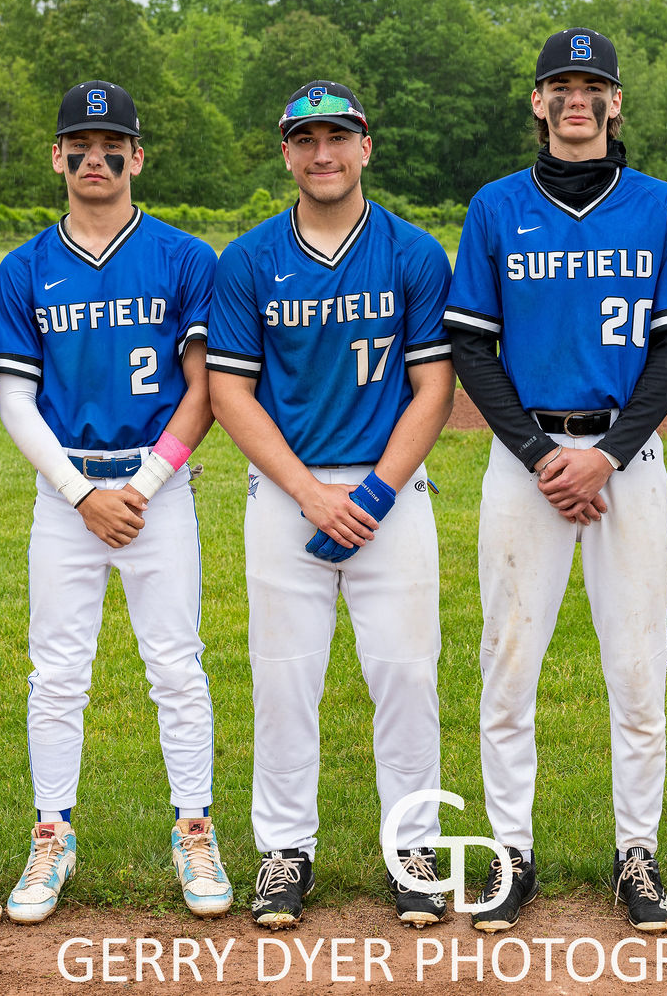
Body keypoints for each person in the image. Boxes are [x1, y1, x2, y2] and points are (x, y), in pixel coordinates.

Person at [445, 28, 667, 934]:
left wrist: (609, 453)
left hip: (627, 459)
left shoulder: (659, 206)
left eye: (593, 84)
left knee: (637, 667)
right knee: (508, 664)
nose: (577, 97)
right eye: (561, 84)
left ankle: (637, 853)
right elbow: (471, 344)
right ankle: (512, 851)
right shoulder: (496, 206)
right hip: (528, 463)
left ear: (616, 102)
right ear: (539, 101)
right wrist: (539, 453)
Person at [207, 80, 454, 930]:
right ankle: (284, 849)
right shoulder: (248, 260)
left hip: (392, 495)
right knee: (284, 679)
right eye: (307, 139)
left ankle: (412, 846)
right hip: (289, 495)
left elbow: (433, 387)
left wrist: (375, 492)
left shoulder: (413, 252)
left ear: (365, 146)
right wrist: (311, 494)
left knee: (407, 676)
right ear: (287, 152)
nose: (324, 153)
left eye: (338, 136)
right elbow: (231, 393)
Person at [0, 80, 231, 923]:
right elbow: (14, 399)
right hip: (67, 493)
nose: (97, 159)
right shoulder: (25, 267)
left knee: (176, 664)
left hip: (155, 487)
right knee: (57, 672)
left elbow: (203, 390)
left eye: (112, 147)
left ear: (137, 156)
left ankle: (195, 827)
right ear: (57, 157)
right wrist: (80, 492)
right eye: (81, 147)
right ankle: (51, 832)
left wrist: (143, 485)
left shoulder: (183, 257)